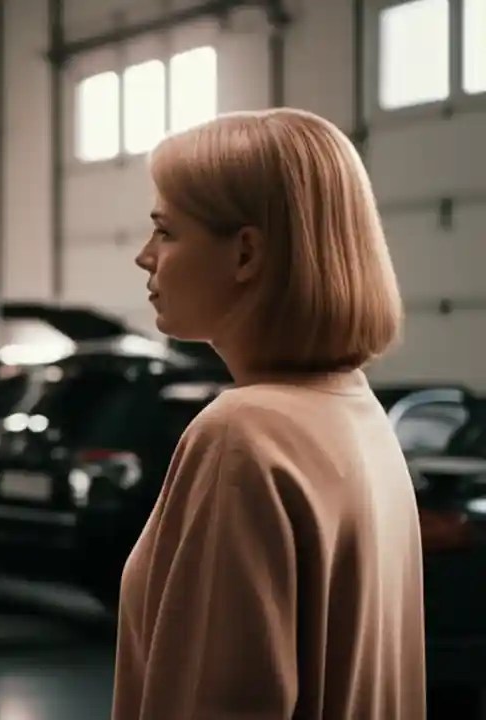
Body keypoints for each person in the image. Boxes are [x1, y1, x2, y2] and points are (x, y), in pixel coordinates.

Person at [113, 107, 425, 719]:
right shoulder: (358, 414)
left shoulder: (242, 434)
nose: (145, 257)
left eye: (167, 232)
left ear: (247, 254)